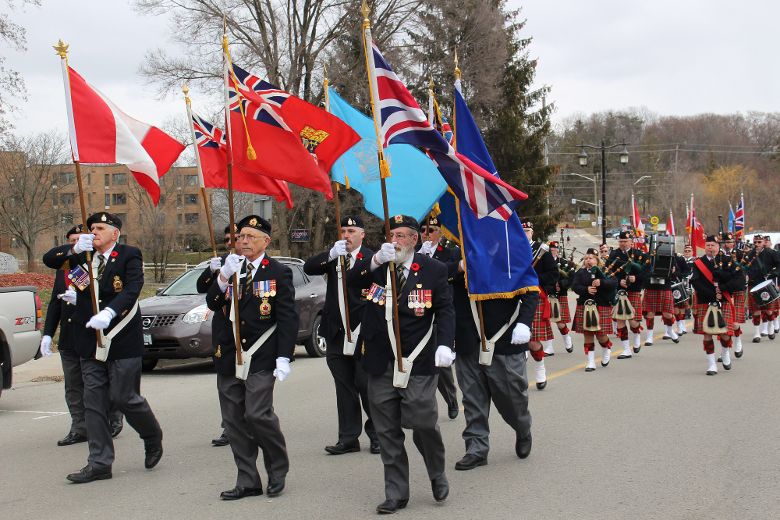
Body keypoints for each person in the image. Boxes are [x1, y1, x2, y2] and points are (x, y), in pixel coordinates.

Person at [42, 212, 163, 484]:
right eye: (92, 228)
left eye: (99, 228)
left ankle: (151, 435)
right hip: (89, 340)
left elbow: (132, 289)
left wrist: (109, 312)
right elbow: (49, 260)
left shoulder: (129, 255)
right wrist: (74, 249)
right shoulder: (82, 256)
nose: (94, 231)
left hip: (122, 338)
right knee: (93, 402)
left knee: (124, 397)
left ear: (114, 233)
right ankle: (99, 463)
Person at [354, 215, 455, 514]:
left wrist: (445, 344)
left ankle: (436, 472)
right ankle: (396, 492)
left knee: (423, 421)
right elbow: (352, 281)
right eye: (391, 235)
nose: (394, 241)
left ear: (414, 239)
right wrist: (375, 261)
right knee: (387, 430)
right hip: (380, 361)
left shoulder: (433, 269)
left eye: (400, 236)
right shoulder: (377, 266)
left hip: (417, 361)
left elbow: (445, 309)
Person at [205, 215, 298, 500]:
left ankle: (277, 468)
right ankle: (247, 480)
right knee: (233, 421)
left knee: (257, 414)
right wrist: (222, 277)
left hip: (261, 355)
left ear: (265, 242)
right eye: (241, 236)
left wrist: (284, 356)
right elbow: (212, 302)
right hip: (228, 354)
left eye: (250, 237)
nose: (243, 241)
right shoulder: (230, 266)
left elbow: (287, 317)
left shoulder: (278, 272)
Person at [40, 225, 124, 446]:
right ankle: (79, 427)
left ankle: (112, 418)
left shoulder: (97, 264)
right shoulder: (64, 266)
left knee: (98, 382)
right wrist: (48, 334)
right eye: (72, 241)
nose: (77, 243)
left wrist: (83, 300)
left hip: (91, 334)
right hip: (69, 337)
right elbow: (55, 304)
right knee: (73, 386)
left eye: (81, 239)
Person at [303, 215, 380, 455]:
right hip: (336, 332)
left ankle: (378, 434)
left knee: (366, 385)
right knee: (344, 387)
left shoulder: (372, 259)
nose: (346, 235)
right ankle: (348, 438)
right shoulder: (335, 256)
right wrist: (330, 254)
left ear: (362, 235)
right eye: (343, 231)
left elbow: (380, 291)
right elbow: (308, 267)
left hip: (363, 332)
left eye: (351, 231)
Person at [451, 265, 538, 470]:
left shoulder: (508, 253)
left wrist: (524, 323)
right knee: (472, 398)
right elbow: (437, 274)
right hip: (467, 339)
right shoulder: (457, 253)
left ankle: (522, 428)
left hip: (504, 339)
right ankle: (477, 448)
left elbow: (530, 290)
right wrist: (459, 267)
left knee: (512, 398)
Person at [196, 224, 236, 448]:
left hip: (249, 329)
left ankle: (252, 422)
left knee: (250, 382)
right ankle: (229, 427)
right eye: (227, 239)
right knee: (225, 381)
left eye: (235, 238)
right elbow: (202, 288)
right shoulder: (221, 261)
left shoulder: (253, 262)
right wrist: (212, 272)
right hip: (224, 327)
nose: (231, 242)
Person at [418, 215, 460, 419]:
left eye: (431, 230)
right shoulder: (414, 254)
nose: (426, 234)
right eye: (423, 231)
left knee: (441, 366)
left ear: (440, 233)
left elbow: (451, 272)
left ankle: (451, 399)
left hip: (439, 313)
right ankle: (423, 406)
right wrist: (420, 256)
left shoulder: (448, 253)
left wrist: (430, 261)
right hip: (418, 313)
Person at [690, 235, 745, 375]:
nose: (710, 248)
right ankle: (711, 364)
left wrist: (724, 287)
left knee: (725, 333)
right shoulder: (698, 263)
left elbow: (739, 279)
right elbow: (695, 282)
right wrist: (713, 294)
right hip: (705, 300)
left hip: (724, 301)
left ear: (718, 246)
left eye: (713, 245)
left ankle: (725, 353)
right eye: (708, 245)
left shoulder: (727, 260)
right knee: (707, 334)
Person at [571, 249, 617, 372]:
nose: (588, 260)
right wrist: (586, 289)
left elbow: (613, 283)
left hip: (602, 305)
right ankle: (590, 362)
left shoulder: (605, 270)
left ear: (597, 260)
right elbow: (575, 286)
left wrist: (601, 282)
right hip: (585, 306)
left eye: (591, 258)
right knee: (588, 334)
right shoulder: (580, 272)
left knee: (601, 334)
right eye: (586, 258)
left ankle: (606, 348)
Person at [523, 221, 557, 390]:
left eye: (528, 230)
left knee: (533, 341)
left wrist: (535, 279)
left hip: (535, 296)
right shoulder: (512, 248)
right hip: (513, 297)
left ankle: (540, 368)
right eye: (522, 230)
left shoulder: (541, 250)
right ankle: (519, 377)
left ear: (532, 232)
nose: (525, 233)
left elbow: (553, 273)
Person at [606, 231, 649, 359]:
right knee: (620, 319)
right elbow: (607, 273)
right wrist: (619, 281)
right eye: (621, 241)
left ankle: (636, 337)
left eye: (625, 241)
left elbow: (647, 273)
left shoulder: (639, 254)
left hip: (634, 290)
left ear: (631, 242)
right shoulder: (614, 255)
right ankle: (626, 349)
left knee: (633, 321)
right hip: (619, 291)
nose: (623, 244)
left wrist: (636, 278)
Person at [746, 235, 780, 342]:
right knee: (756, 310)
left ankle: (770, 326)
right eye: (755, 242)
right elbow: (744, 268)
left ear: (764, 242)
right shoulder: (749, 254)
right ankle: (756, 333)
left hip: (766, 284)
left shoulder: (771, 253)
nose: (757, 244)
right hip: (753, 284)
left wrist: (773, 273)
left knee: (769, 311)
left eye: (759, 242)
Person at [720, 233, 747, 357]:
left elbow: (742, 271)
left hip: (737, 288)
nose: (728, 244)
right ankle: (724, 350)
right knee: (723, 323)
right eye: (726, 242)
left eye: (730, 242)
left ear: (733, 243)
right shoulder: (719, 254)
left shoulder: (740, 254)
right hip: (724, 290)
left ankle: (737, 340)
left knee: (735, 322)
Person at [548, 241, 575, 353]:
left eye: (555, 249)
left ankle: (567, 338)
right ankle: (549, 347)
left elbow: (571, 278)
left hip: (560, 295)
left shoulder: (564, 263)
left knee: (560, 322)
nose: (553, 251)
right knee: (546, 321)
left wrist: (562, 285)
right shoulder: (544, 261)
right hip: (547, 294)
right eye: (551, 249)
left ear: (558, 250)